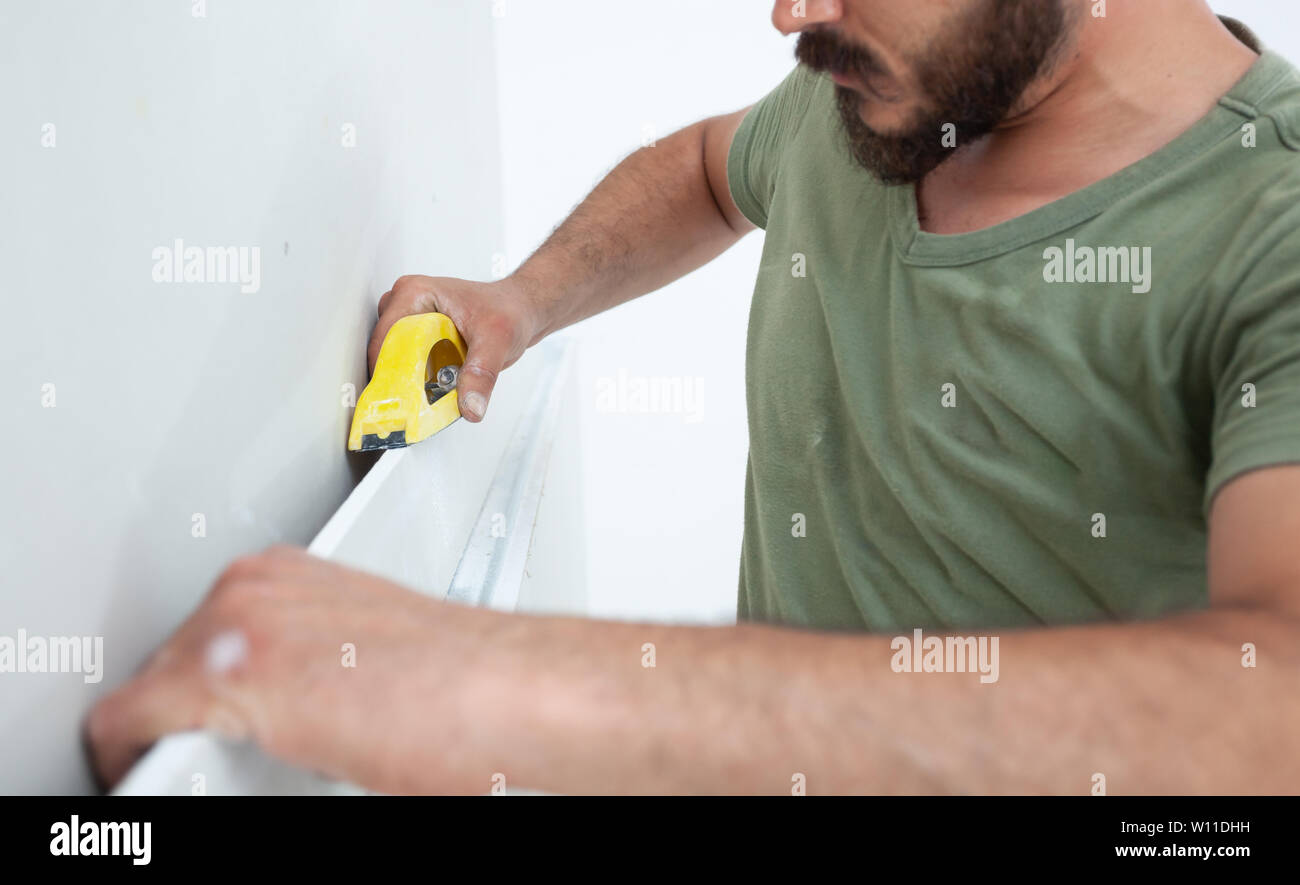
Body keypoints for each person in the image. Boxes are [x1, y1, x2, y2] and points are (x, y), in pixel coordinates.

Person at [89, 0, 1300, 794]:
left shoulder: (1269, 221)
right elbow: (716, 172)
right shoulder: (883, 104)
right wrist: (523, 299)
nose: (792, 14)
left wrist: (493, 680)